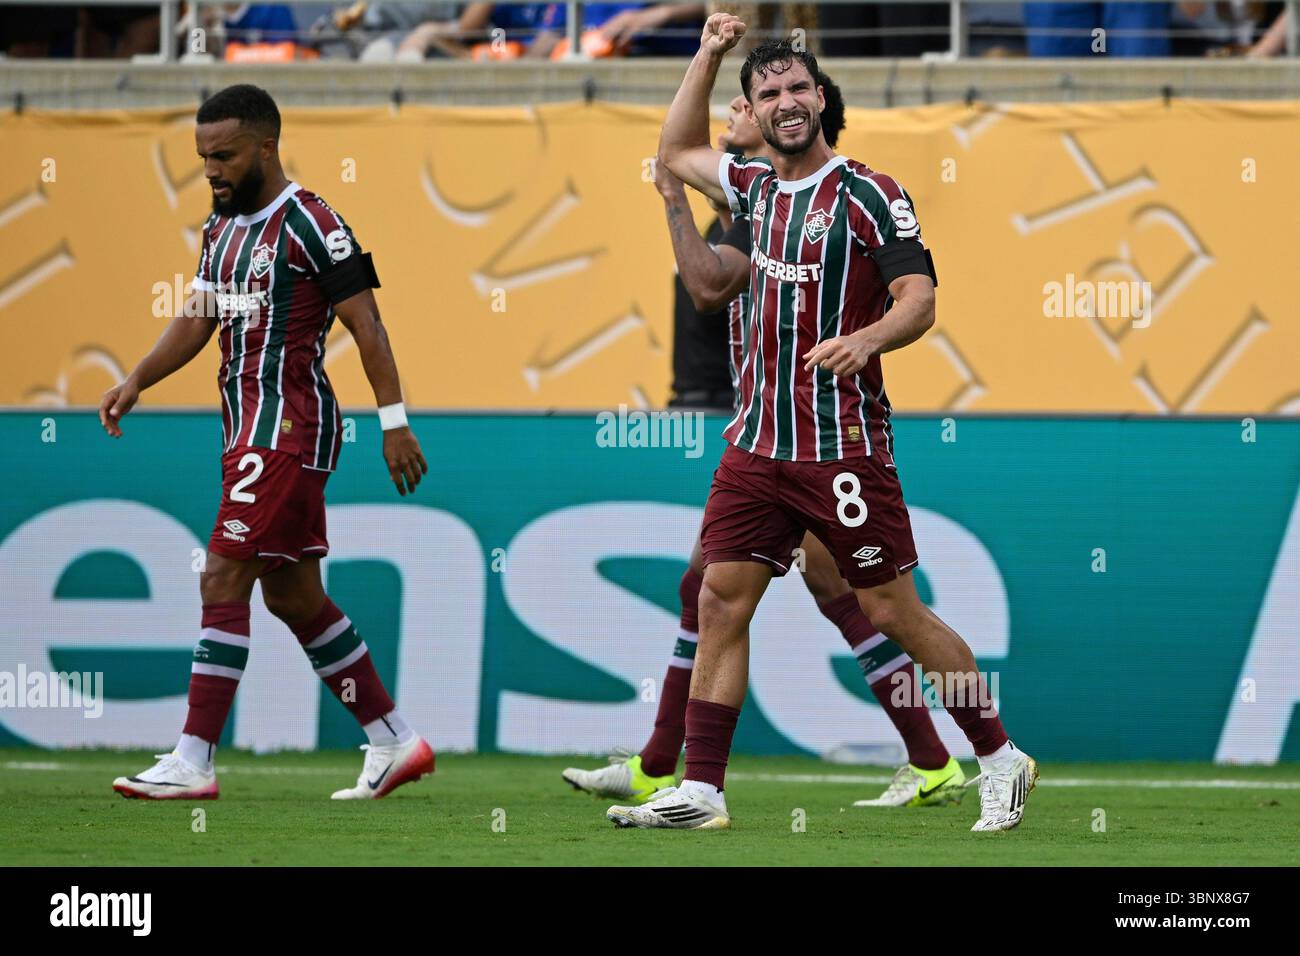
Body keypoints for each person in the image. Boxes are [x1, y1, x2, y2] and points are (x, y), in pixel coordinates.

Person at [607, 16, 1038, 832]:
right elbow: (674, 152)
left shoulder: (872, 194)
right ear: (756, 111)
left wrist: (866, 340)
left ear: (821, 99)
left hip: (841, 451)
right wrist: (706, 53)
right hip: (755, 449)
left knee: (892, 615)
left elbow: (919, 300)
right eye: (767, 93)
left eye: (798, 88)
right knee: (720, 602)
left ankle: (999, 756)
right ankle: (702, 791)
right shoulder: (754, 188)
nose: (785, 102)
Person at [563, 75, 967, 811]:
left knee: (858, 602)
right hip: (764, 427)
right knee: (760, 591)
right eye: (748, 99)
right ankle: (925, 753)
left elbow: (706, 287)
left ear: (805, 114)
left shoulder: (802, 205)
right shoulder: (758, 197)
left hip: (814, 435)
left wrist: (672, 197)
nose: (733, 115)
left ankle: (951, 751)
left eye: (742, 106)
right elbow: (700, 245)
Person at [101, 84, 434, 802]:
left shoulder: (314, 221)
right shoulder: (220, 231)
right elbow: (198, 316)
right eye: (202, 158)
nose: (212, 170)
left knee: (222, 576)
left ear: (265, 147)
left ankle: (192, 759)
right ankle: (394, 740)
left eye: (223, 156)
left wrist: (395, 421)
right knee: (293, 596)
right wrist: (136, 379)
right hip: (245, 428)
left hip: (287, 426)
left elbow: (366, 325)